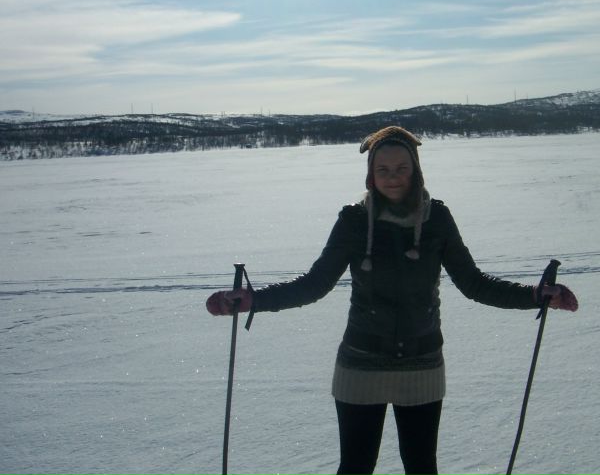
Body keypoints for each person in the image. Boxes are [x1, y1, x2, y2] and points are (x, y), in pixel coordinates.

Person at [206, 126, 578, 475]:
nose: (392, 177)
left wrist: (535, 296)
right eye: (382, 169)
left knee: (421, 467)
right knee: (355, 467)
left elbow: (474, 283)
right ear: (371, 174)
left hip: (422, 363)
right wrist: (253, 300)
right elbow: (315, 283)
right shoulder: (353, 221)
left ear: (416, 171)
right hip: (360, 363)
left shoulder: (437, 219)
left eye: (401, 168)